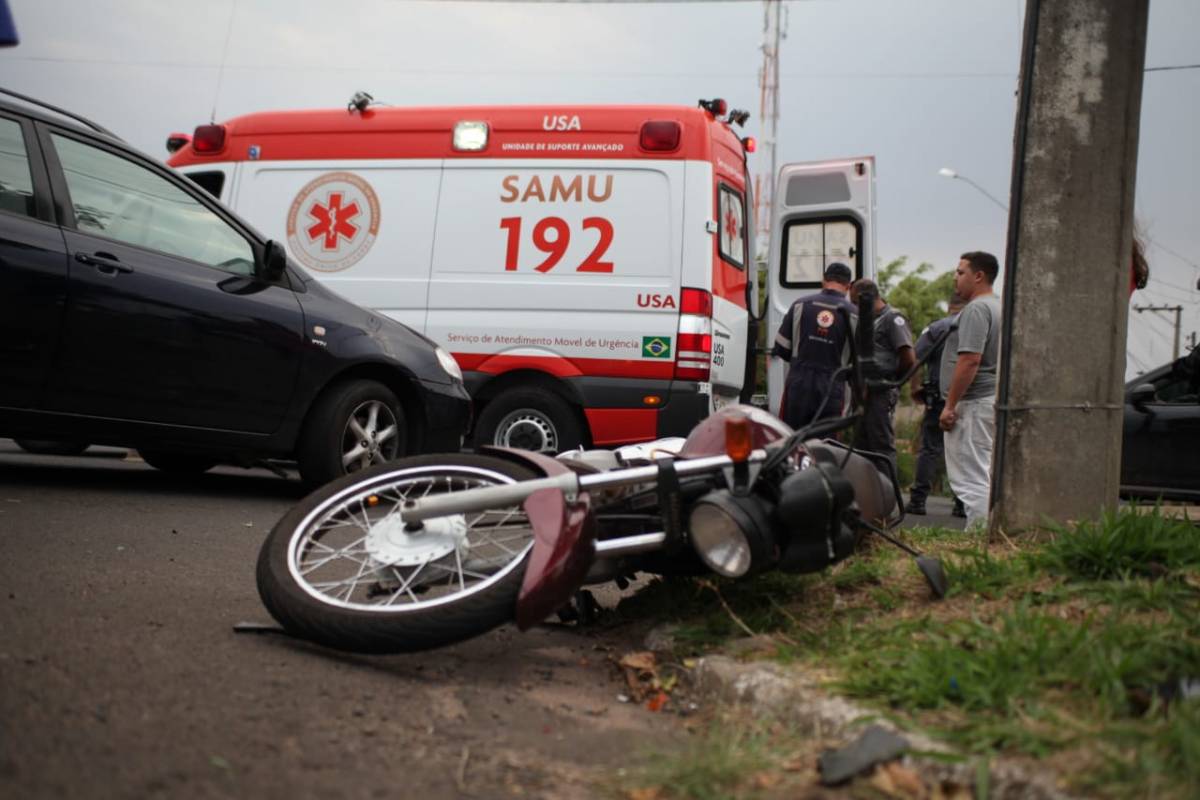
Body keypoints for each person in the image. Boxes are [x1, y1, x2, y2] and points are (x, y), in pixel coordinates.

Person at [939, 251, 1002, 530]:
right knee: (984, 474)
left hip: (974, 404)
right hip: (990, 400)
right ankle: (987, 535)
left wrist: (950, 405)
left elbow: (970, 359)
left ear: (979, 276)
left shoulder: (977, 309)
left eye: (961, 272)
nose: (956, 277)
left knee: (971, 479)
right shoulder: (1000, 306)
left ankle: (977, 541)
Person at [771, 262, 857, 429]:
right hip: (833, 389)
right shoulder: (855, 315)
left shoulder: (800, 305)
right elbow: (859, 364)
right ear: (848, 286)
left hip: (798, 385)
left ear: (823, 280)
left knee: (792, 439)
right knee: (826, 445)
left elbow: (782, 348)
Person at [905, 294, 966, 516]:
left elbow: (915, 360)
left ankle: (918, 501)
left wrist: (915, 388)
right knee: (963, 451)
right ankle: (962, 504)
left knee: (930, 449)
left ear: (950, 306)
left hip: (939, 398)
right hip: (968, 398)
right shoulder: (978, 326)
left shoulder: (937, 328)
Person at [848, 278, 915, 478]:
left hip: (880, 392)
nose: (854, 307)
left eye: (855, 303)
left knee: (881, 444)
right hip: (863, 390)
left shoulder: (893, 319)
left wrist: (891, 379)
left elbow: (909, 358)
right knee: (862, 444)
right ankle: (867, 497)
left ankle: (887, 496)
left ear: (865, 298)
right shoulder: (866, 320)